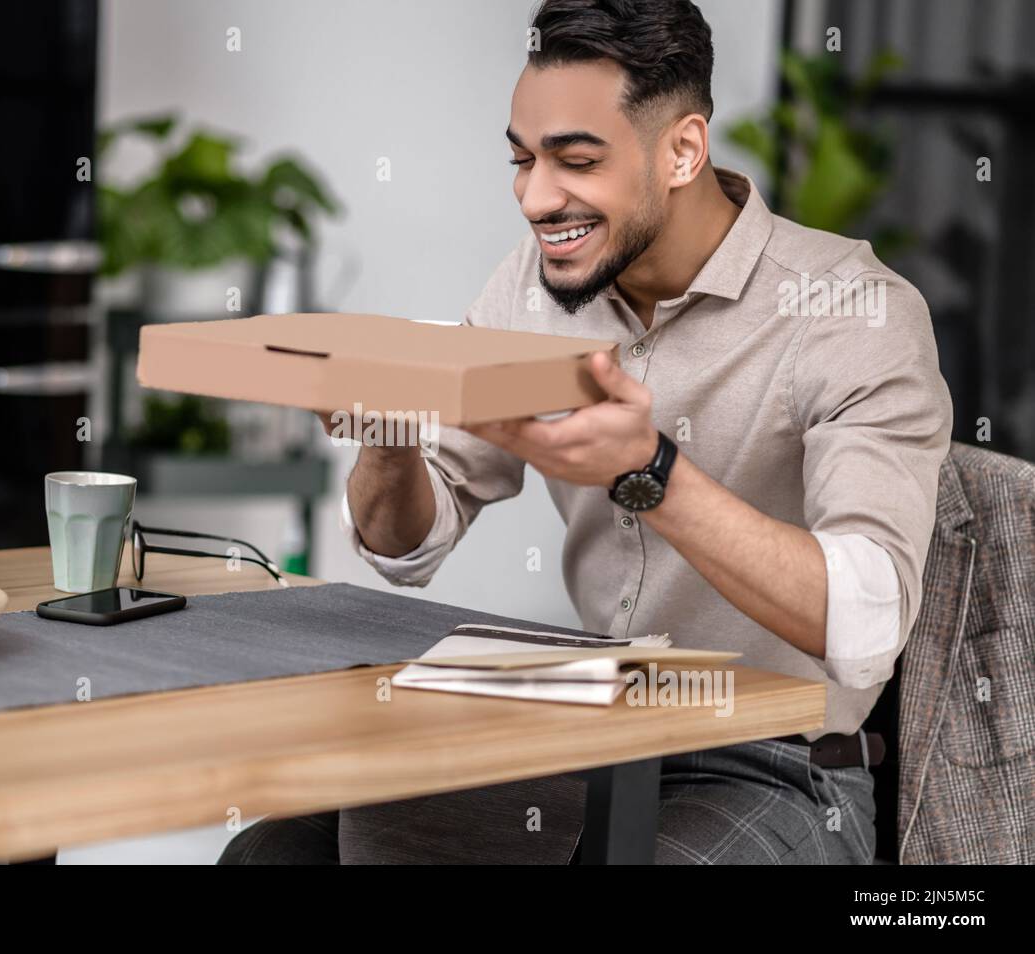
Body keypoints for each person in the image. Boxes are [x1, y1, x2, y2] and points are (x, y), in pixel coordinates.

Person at [220, 0, 950, 864]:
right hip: (587, 730)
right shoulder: (529, 289)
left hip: (776, 763)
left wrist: (651, 471)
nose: (535, 198)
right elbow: (406, 550)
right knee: (272, 852)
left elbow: (867, 627)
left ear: (683, 150)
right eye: (521, 160)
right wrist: (389, 435)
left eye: (576, 160)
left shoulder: (851, 311)